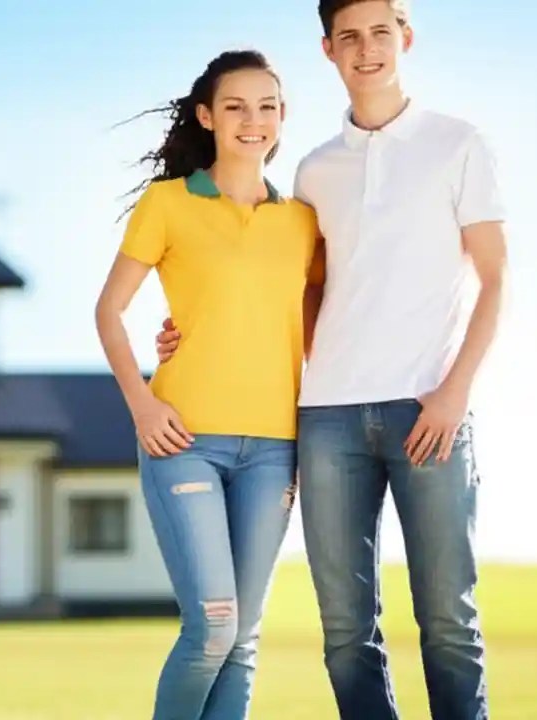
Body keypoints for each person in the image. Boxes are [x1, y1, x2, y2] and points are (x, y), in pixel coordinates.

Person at [154, 2, 508, 718]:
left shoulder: (458, 143)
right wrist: (195, 331)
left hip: (427, 411)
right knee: (346, 633)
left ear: (405, 38)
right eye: (349, 36)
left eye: (380, 32)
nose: (366, 48)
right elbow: (292, 290)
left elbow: (495, 277)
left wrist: (452, 394)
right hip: (326, 421)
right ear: (328, 50)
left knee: (448, 623)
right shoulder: (314, 171)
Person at [94, 49, 324, 720]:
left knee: (243, 641)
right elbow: (109, 310)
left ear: (282, 117)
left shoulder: (303, 222)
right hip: (183, 438)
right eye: (235, 106)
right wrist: (141, 403)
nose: (253, 121)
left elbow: (319, 327)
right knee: (214, 626)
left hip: (276, 449)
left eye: (267, 106)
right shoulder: (167, 203)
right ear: (207, 116)